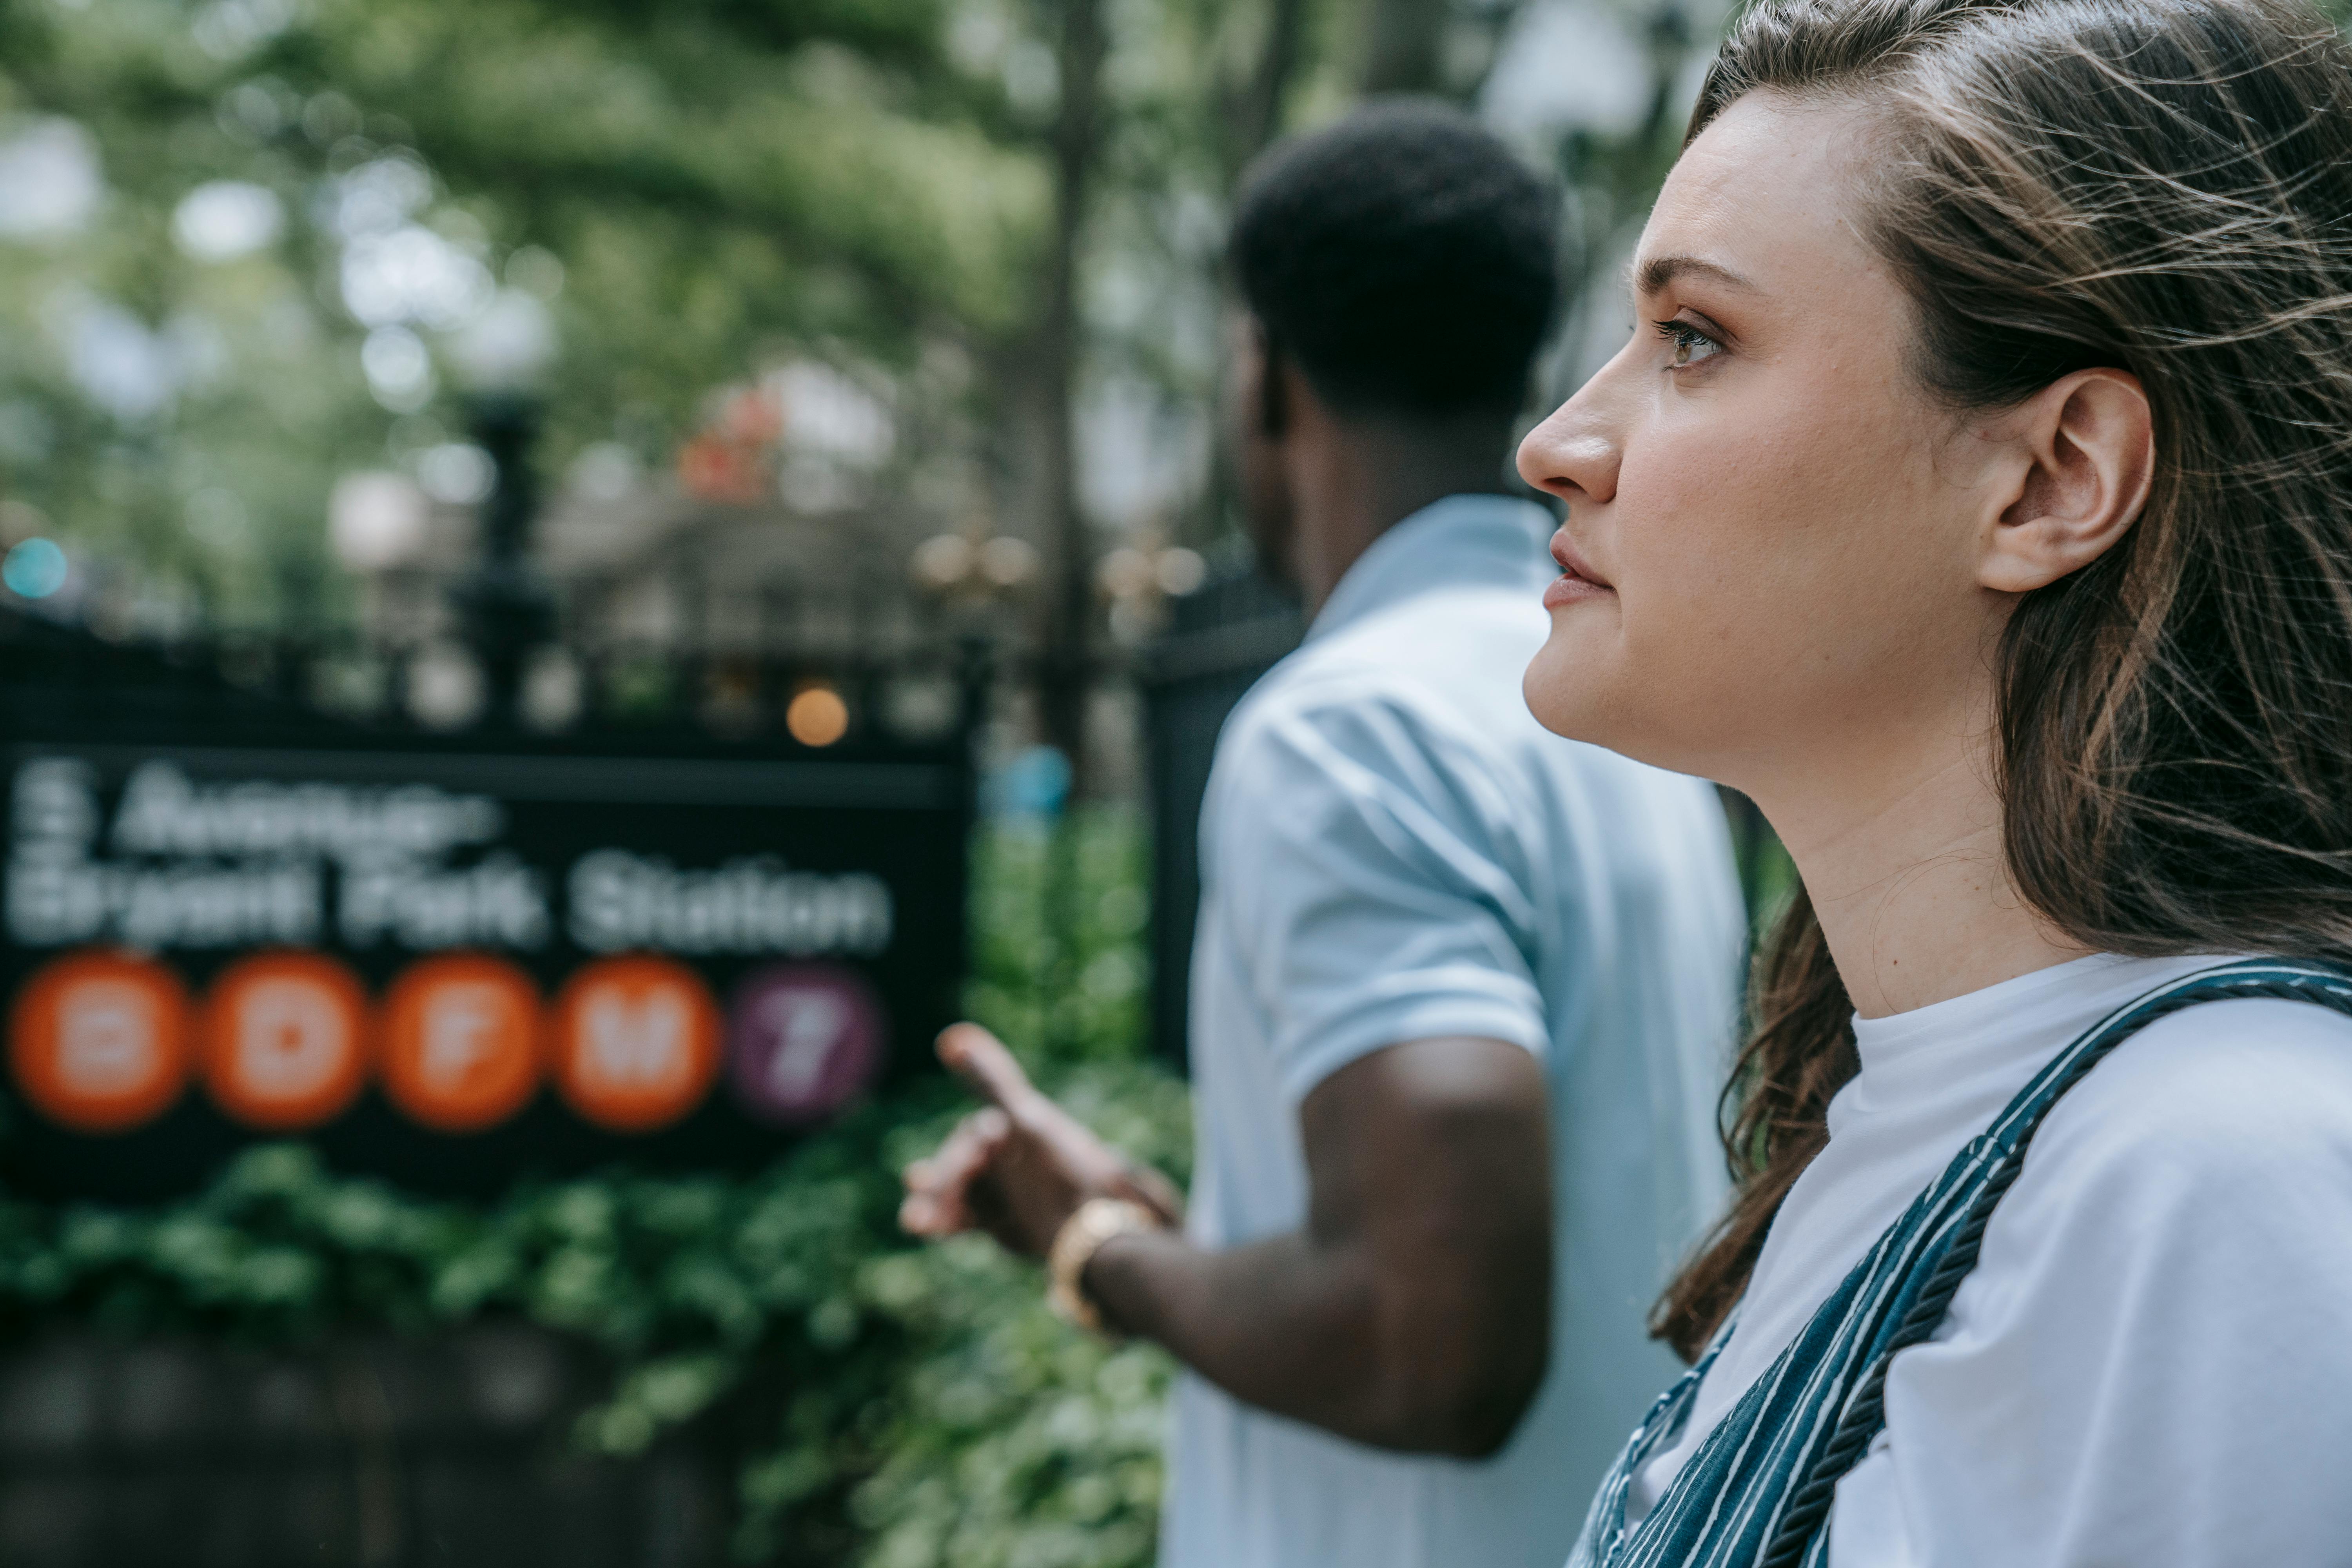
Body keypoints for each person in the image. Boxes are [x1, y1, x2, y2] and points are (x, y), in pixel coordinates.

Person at [1512, 0, 2352, 1563]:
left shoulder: (2217, 1180)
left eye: (1695, 338)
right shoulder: (1930, 1114)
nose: (1560, 443)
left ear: (2050, 480)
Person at [900, 104, 1748, 1568]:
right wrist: (1202, 1234)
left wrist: (1095, 1254)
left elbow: (1435, 1341)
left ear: (1266, 376)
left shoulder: (1348, 729)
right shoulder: (1619, 723)